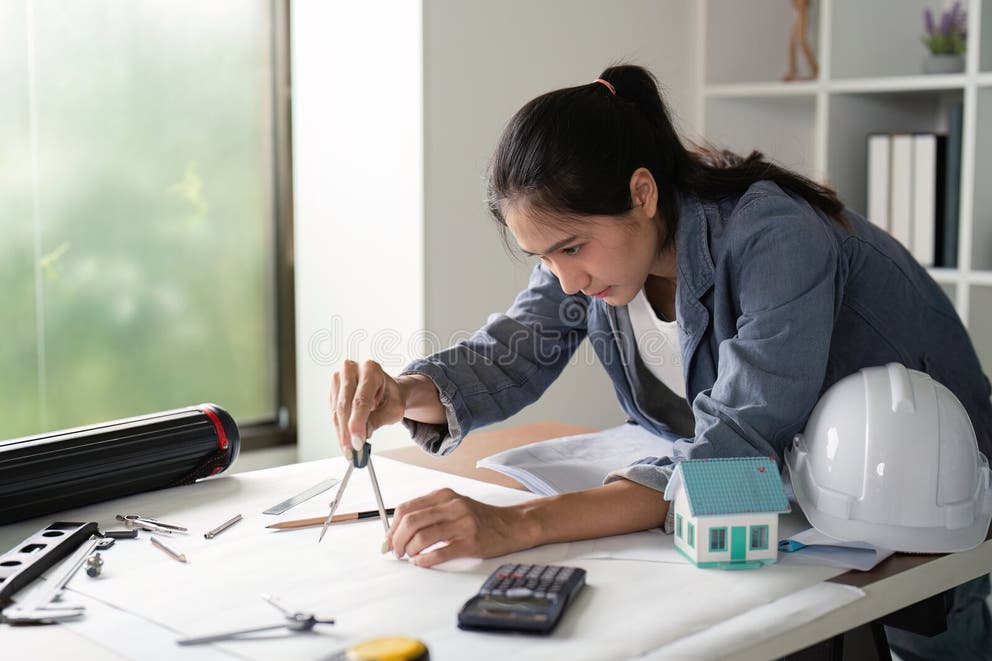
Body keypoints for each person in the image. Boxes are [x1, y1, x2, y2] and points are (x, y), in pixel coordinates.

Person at [329, 65, 991, 658]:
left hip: (918, 506)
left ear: (642, 193)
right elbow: (513, 350)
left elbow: (735, 454)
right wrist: (404, 390)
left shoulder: (774, 238)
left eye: (571, 247)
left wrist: (517, 524)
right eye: (543, 258)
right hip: (799, 512)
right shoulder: (599, 263)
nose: (564, 281)